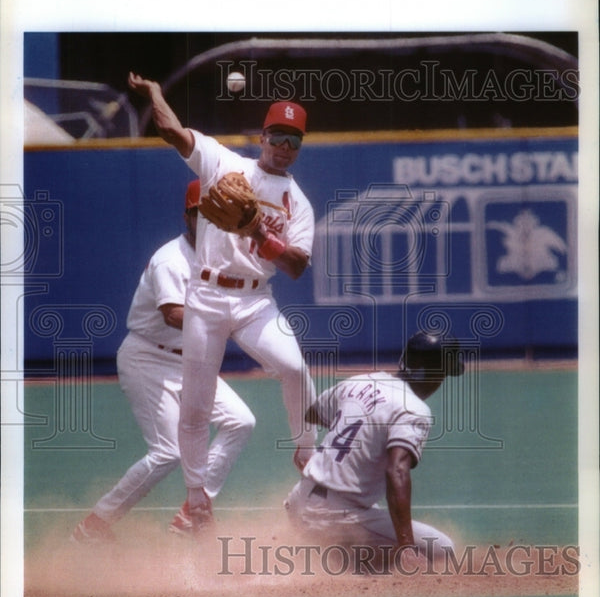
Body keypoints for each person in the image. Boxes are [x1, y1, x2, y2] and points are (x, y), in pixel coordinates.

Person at [127, 72, 317, 532]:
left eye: (294, 140)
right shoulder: (223, 163)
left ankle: (306, 448)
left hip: (255, 301)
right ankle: (197, 499)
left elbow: (296, 266)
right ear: (262, 136)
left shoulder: (298, 202)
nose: (284, 146)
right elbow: (172, 131)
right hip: (208, 295)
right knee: (196, 405)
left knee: (293, 367)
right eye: (278, 136)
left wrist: (258, 235)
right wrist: (155, 93)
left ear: (299, 147)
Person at [70, 180, 255, 543]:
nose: (210, 223)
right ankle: (95, 526)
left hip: (189, 361)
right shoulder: (170, 259)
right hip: (147, 357)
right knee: (168, 452)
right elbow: (172, 314)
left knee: (241, 421)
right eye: (202, 215)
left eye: (219, 216)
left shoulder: (227, 259)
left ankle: (193, 511)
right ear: (187, 216)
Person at [284, 332, 465, 562]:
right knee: (441, 550)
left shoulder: (361, 381)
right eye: (444, 375)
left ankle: (329, 548)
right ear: (434, 374)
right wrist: (406, 546)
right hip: (331, 518)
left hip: (298, 500)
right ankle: (340, 556)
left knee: (373, 509)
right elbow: (397, 471)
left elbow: (312, 413)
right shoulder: (414, 410)